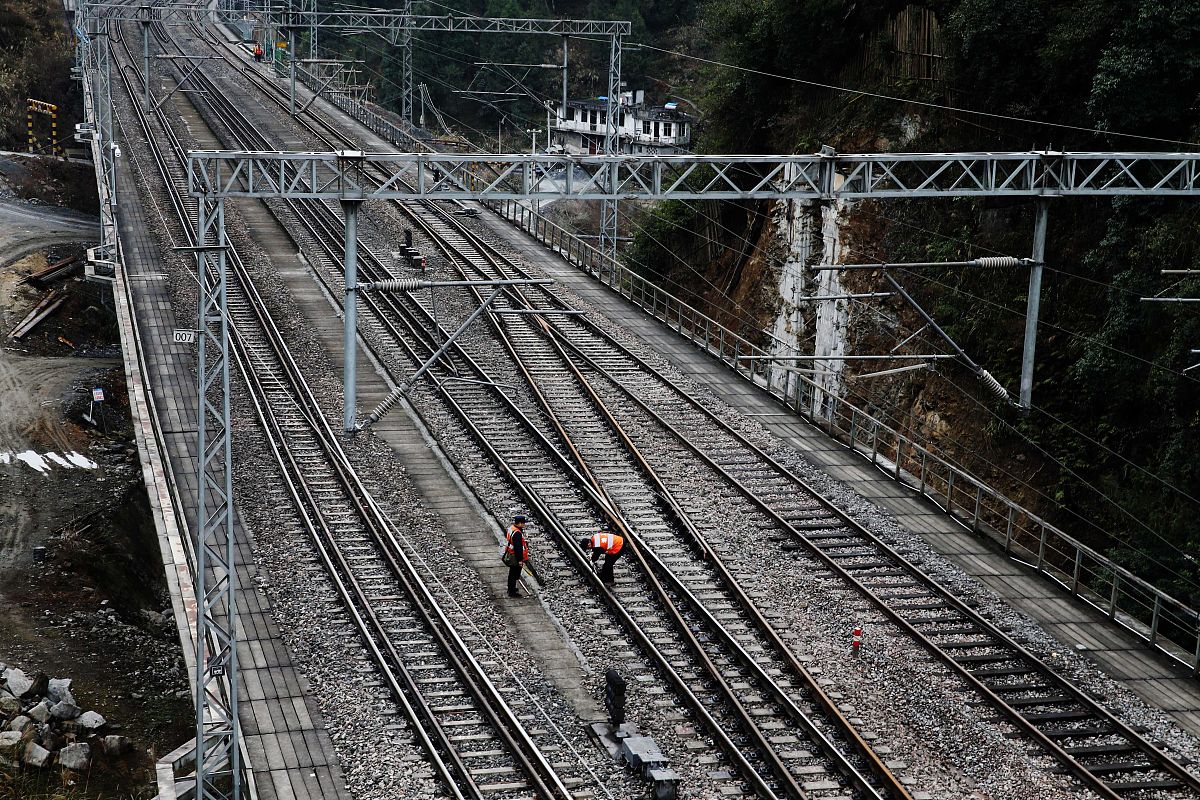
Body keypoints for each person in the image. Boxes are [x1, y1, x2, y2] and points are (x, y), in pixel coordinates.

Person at [504, 514, 530, 598]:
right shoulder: (517, 534)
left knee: (512, 573)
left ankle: (511, 588)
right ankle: (512, 591)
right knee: (514, 574)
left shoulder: (512, 528)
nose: (524, 525)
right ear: (519, 523)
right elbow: (518, 548)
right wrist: (520, 560)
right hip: (515, 556)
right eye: (523, 523)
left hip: (510, 553)